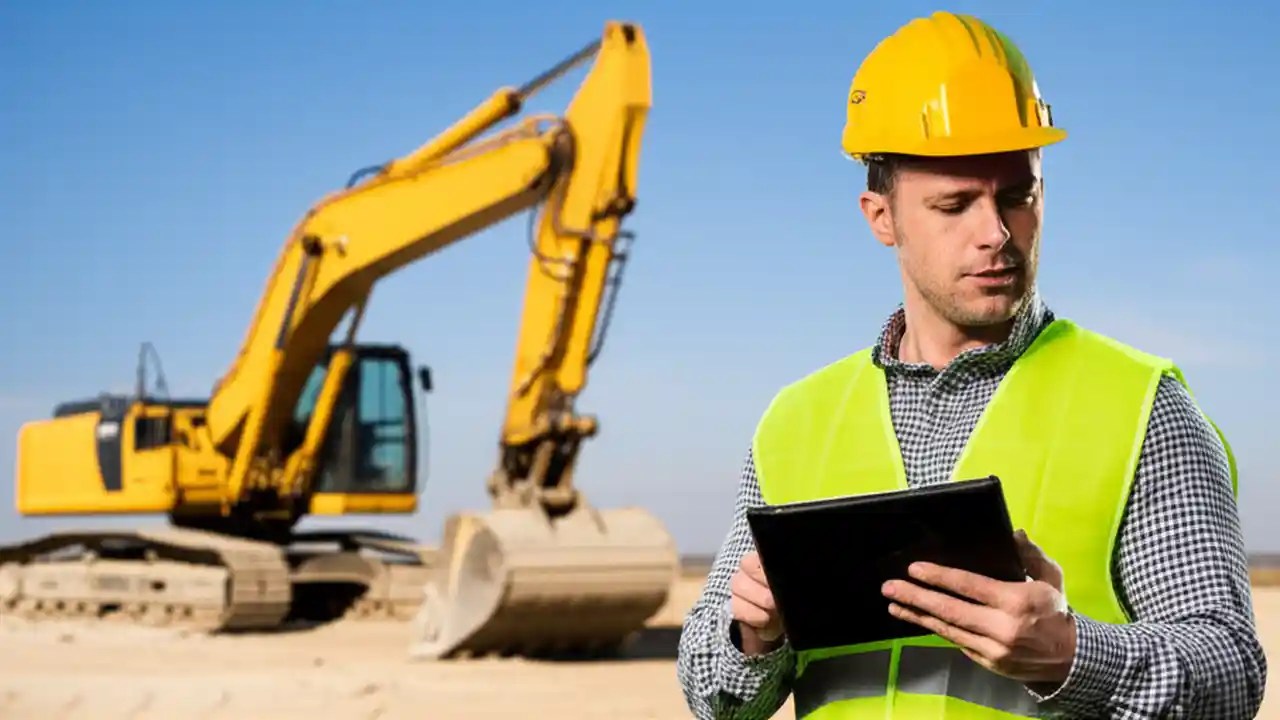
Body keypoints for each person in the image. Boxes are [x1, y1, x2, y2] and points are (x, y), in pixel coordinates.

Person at [675, 10, 1267, 720]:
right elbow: (715, 701)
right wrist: (751, 636)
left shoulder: (1144, 407)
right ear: (880, 217)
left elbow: (1231, 676)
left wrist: (1074, 655)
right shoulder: (794, 424)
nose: (996, 233)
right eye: (954, 205)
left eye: (1018, 196)